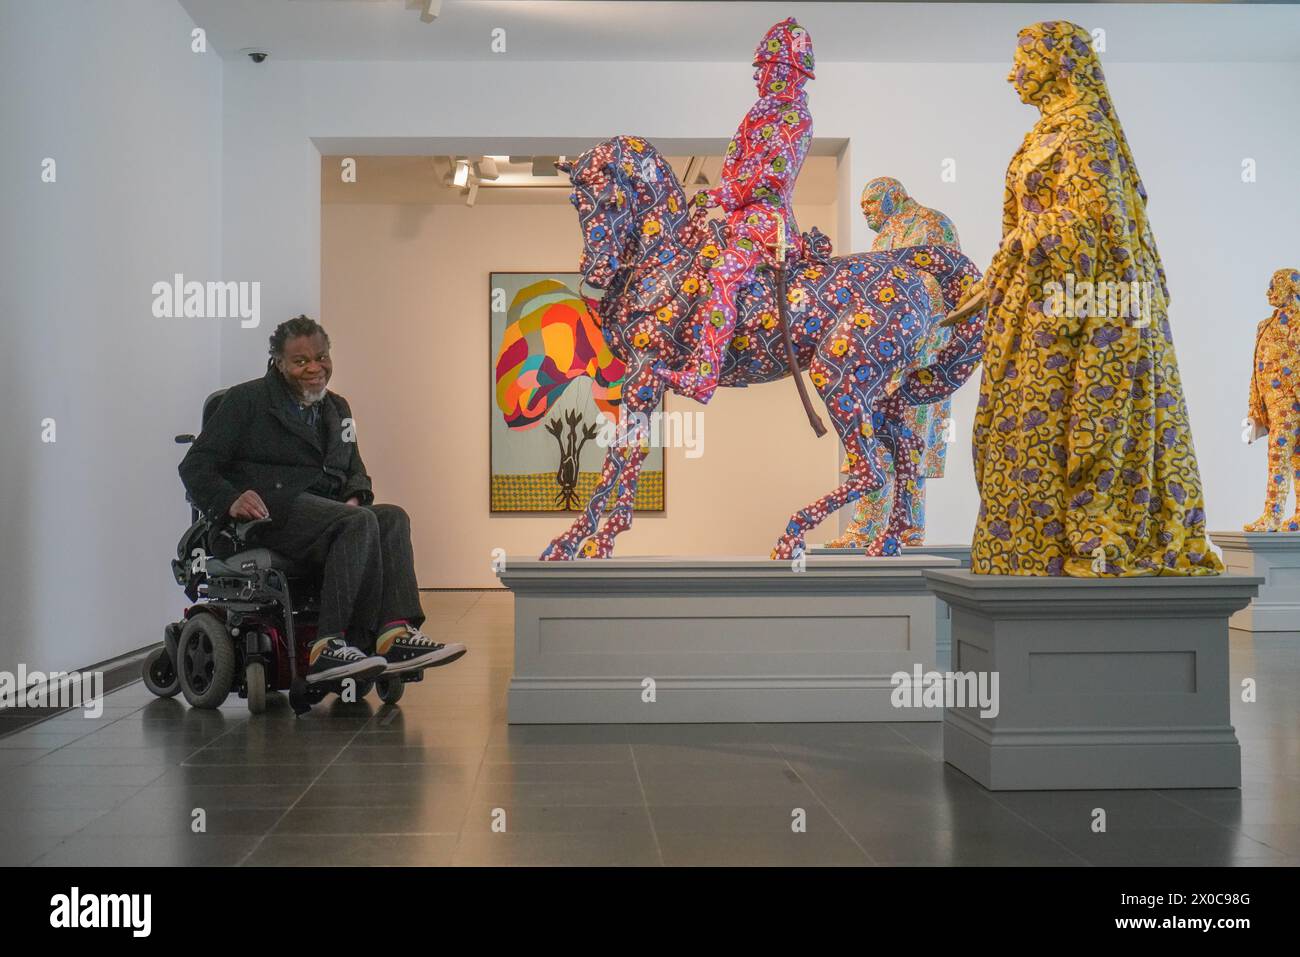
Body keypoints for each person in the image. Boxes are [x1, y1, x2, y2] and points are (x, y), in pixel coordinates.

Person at [944, 20, 1221, 577]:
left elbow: (1092, 220)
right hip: (1039, 299)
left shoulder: (1085, 130)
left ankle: (1081, 538)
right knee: (1021, 421)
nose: (1012, 73)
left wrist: (1012, 251)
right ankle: (1025, 550)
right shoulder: (1048, 131)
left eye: (1023, 60)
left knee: (1058, 417)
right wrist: (1005, 268)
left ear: (1060, 63)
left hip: (1082, 306)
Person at [179, 315, 466, 683]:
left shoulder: (338, 409)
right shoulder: (245, 401)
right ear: (279, 363)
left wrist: (354, 496)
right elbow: (196, 465)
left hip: (322, 514)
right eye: (300, 361)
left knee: (392, 517)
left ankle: (394, 635)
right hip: (269, 514)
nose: (315, 368)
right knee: (358, 522)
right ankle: (328, 645)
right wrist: (231, 499)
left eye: (322, 357)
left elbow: (355, 470)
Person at [654, 16, 815, 402]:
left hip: (766, 224)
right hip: (740, 220)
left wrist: (723, 195)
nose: (757, 75)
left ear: (784, 69)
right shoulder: (760, 114)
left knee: (725, 274)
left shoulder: (795, 117)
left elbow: (772, 177)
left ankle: (704, 377)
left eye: (764, 67)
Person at [827, 177, 961, 550]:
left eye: (870, 204)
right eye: (862, 207)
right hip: (885, 352)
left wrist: (925, 345)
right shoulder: (885, 237)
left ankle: (904, 528)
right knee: (876, 439)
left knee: (908, 440)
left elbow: (938, 288)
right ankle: (870, 527)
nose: (866, 212)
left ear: (894, 197)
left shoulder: (931, 224)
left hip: (919, 351)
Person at [1245, 268, 1300, 531]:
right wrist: (1254, 409)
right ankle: (1277, 514)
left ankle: (1273, 516)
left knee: (1284, 455)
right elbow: (1256, 371)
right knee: (1285, 456)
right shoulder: (1264, 326)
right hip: (1274, 404)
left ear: (1292, 288)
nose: (1269, 292)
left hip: (1292, 400)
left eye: (1275, 285)